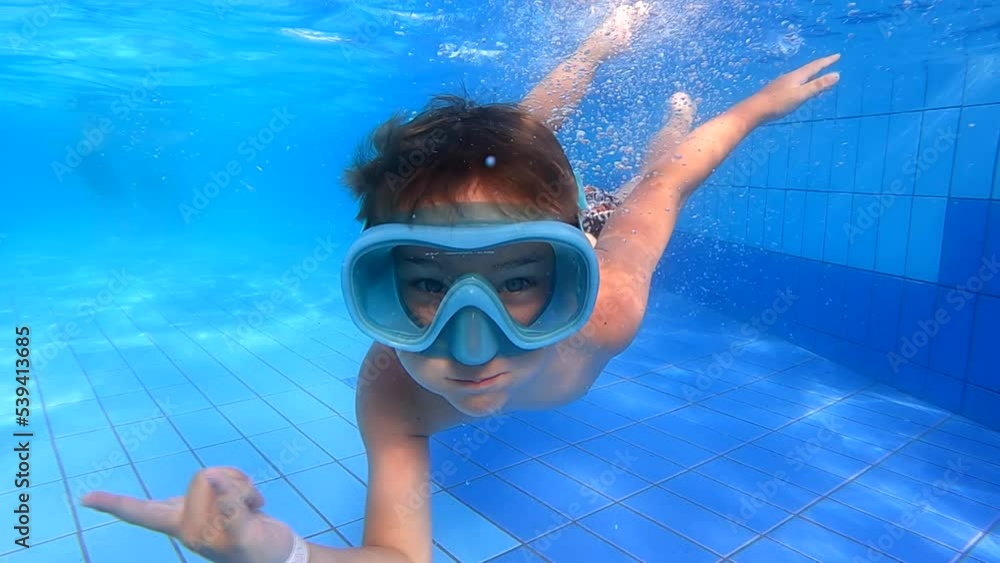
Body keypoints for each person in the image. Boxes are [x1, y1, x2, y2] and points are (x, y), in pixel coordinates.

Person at [80, 3, 841, 563]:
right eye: (426, 285)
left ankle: (601, 50)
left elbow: (670, 182)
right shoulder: (390, 386)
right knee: (506, 150)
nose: (472, 344)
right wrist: (269, 549)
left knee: (615, 164)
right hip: (539, 224)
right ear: (382, 288)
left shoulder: (605, 311)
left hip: (588, 216)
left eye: (517, 283)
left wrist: (758, 107)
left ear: (570, 281)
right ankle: (595, 50)